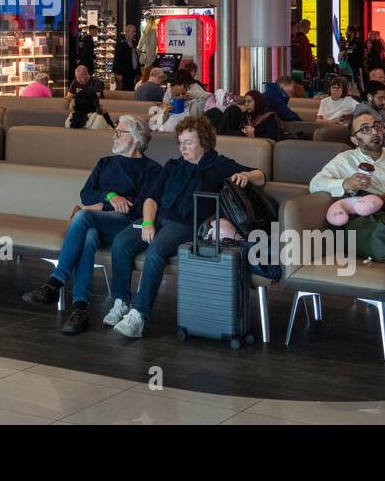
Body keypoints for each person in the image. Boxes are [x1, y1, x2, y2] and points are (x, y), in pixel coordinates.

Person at [106, 115, 266, 338]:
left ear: (204, 141)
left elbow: (260, 176)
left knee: (155, 252)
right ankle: (121, 301)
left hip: (186, 224)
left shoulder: (220, 166)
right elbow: (151, 198)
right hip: (158, 218)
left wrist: (246, 175)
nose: (182, 148)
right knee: (121, 242)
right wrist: (148, 222)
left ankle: (139, 315)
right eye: (180, 142)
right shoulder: (173, 166)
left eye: (188, 142)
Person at [21, 116, 161, 333]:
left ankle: (55, 283)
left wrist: (98, 208)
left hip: (126, 227)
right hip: (102, 223)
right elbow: (86, 195)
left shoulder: (151, 169)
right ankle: (80, 309)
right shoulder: (105, 162)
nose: (114, 136)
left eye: (119, 132)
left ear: (135, 138)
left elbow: (138, 206)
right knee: (87, 237)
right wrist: (111, 197)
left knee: (83, 218)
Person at [309, 108, 385, 232]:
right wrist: (345, 184)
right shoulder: (345, 160)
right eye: (365, 129)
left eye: (377, 126)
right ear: (355, 140)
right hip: (379, 227)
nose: (375, 132)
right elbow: (315, 184)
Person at [113, 23, 142, 91]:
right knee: (124, 90)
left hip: (132, 72)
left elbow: (134, 56)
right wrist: (118, 73)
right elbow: (117, 58)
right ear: (127, 32)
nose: (135, 33)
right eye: (133, 31)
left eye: (135, 31)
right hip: (124, 73)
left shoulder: (134, 41)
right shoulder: (121, 42)